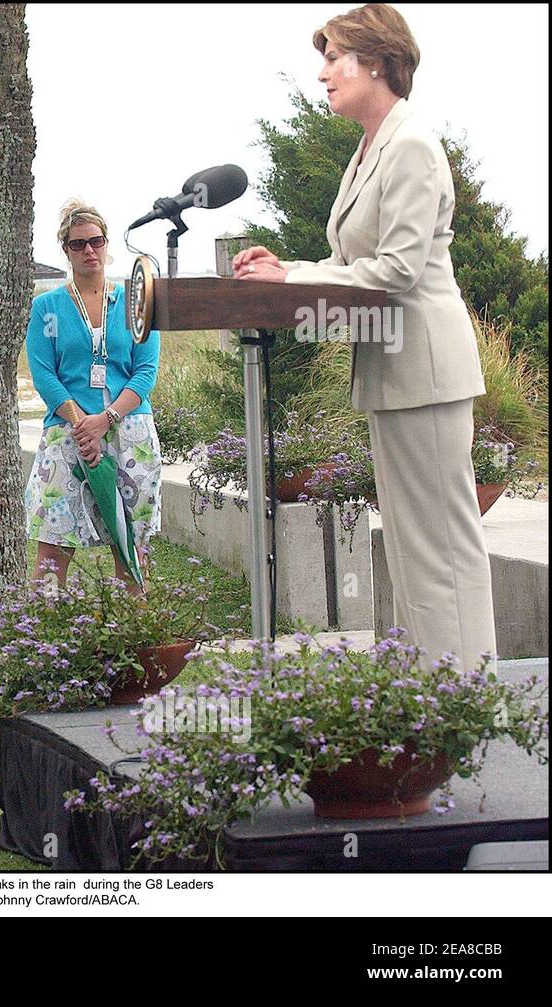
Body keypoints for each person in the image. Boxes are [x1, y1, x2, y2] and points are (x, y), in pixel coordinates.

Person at [233, 3, 494, 671]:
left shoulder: (409, 144)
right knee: (410, 546)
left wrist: (291, 279)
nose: (321, 74)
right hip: (393, 369)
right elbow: (360, 264)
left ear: (376, 61)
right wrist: (287, 270)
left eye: (332, 58)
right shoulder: (371, 148)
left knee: (439, 543)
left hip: (424, 369)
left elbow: (398, 269)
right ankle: (425, 692)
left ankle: (461, 691)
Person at [24, 199, 162, 587]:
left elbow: (145, 371)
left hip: (129, 432)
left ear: (107, 244)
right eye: (78, 244)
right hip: (67, 434)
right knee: (53, 549)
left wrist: (107, 420)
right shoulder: (46, 308)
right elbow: (45, 374)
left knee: (132, 547)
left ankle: (133, 641)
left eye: (96, 241)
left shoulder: (136, 301)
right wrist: (82, 424)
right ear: (65, 250)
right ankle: (44, 642)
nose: (89, 251)